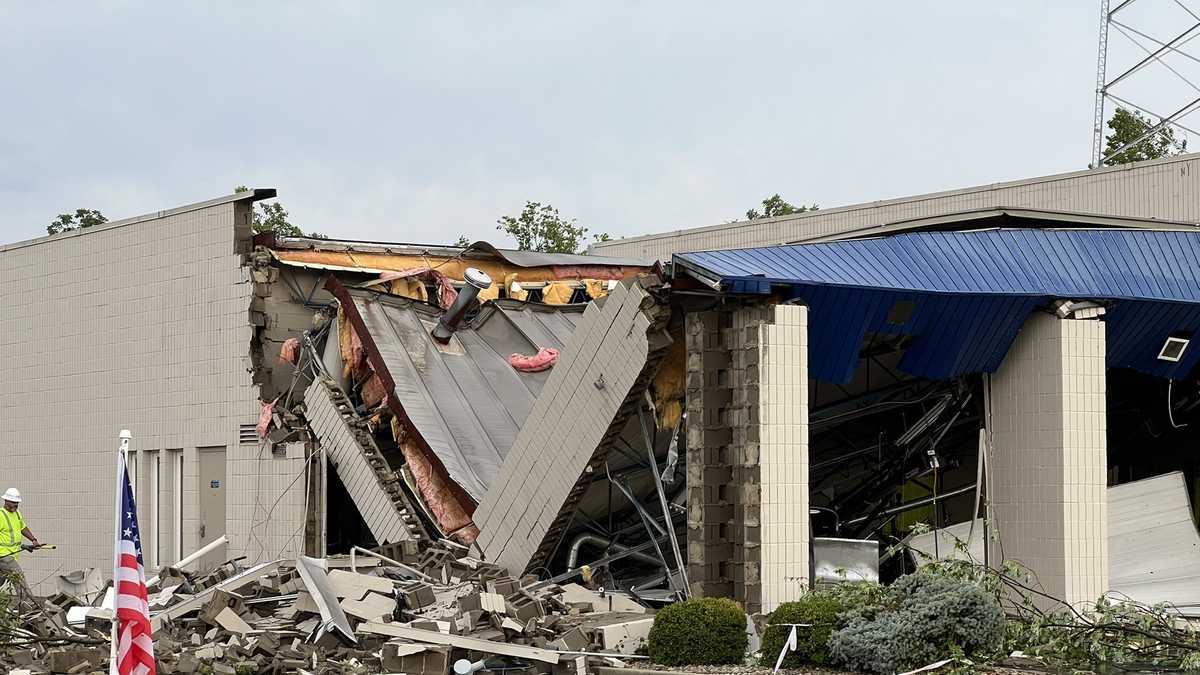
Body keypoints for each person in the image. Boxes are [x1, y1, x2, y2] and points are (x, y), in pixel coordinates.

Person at [0, 488, 40, 610]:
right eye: (13, 502)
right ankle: (30, 607)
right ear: (6, 501)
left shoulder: (17, 514)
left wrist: (32, 540)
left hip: (12, 554)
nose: (15, 505)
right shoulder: (1, 515)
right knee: (19, 579)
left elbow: (22, 528)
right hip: (4, 556)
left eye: (17, 502)